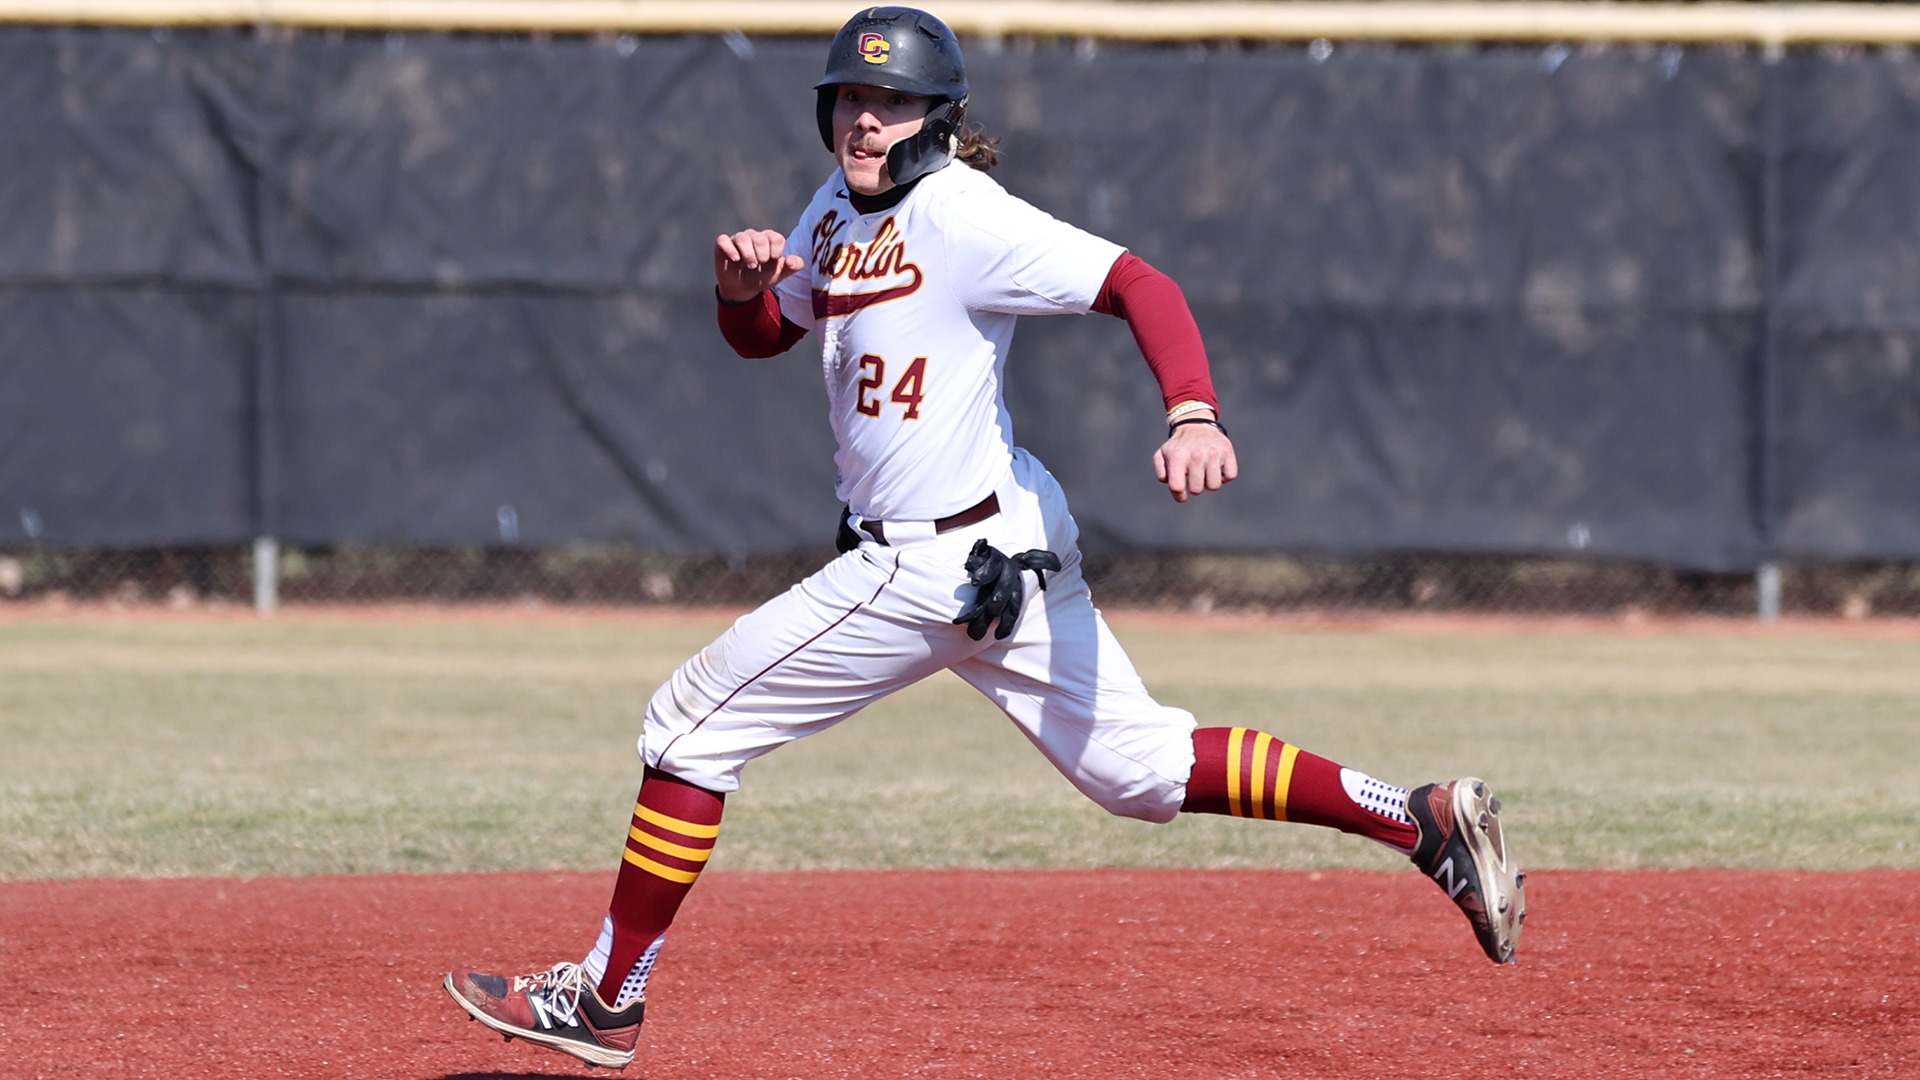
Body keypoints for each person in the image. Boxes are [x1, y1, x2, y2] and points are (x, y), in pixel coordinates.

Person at [444, 7, 1524, 1071]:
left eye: (891, 102)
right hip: (1005, 544)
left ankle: (605, 998)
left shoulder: (968, 216)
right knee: (1140, 771)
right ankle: (1416, 817)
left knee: (685, 729)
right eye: (851, 100)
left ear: (935, 118)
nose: (865, 122)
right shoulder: (834, 206)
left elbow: (1139, 284)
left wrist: (1191, 410)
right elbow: (772, 332)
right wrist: (739, 297)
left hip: (927, 560)